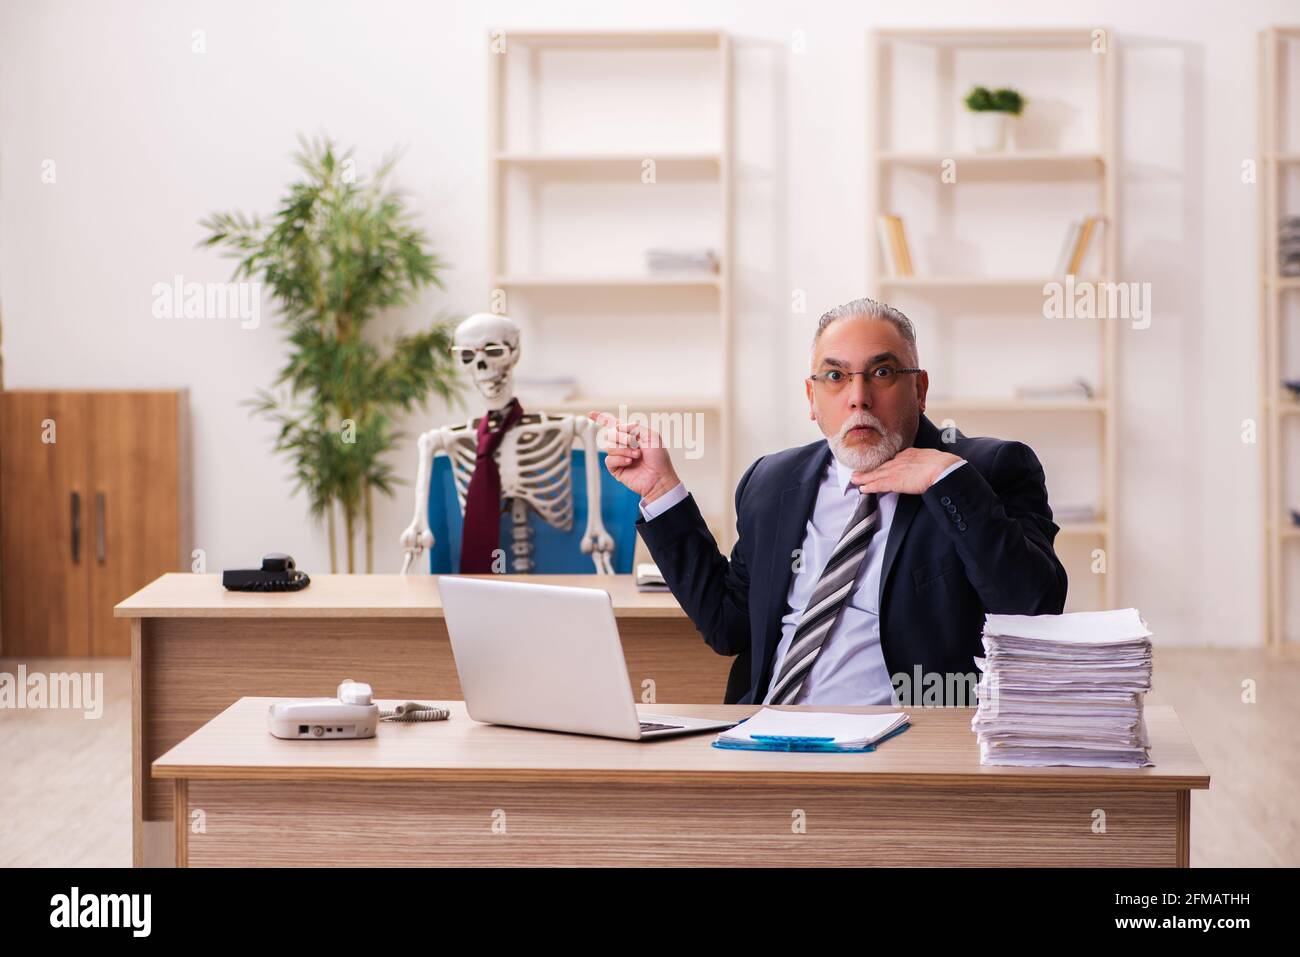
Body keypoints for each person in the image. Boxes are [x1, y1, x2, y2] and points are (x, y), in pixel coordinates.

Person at [590, 297, 1067, 706]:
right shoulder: (772, 481)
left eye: (882, 372)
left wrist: (949, 483)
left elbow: (1033, 607)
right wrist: (660, 490)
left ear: (919, 389)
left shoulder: (989, 469)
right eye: (835, 376)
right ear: (812, 398)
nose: (858, 398)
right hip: (767, 737)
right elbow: (730, 626)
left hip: (905, 748)